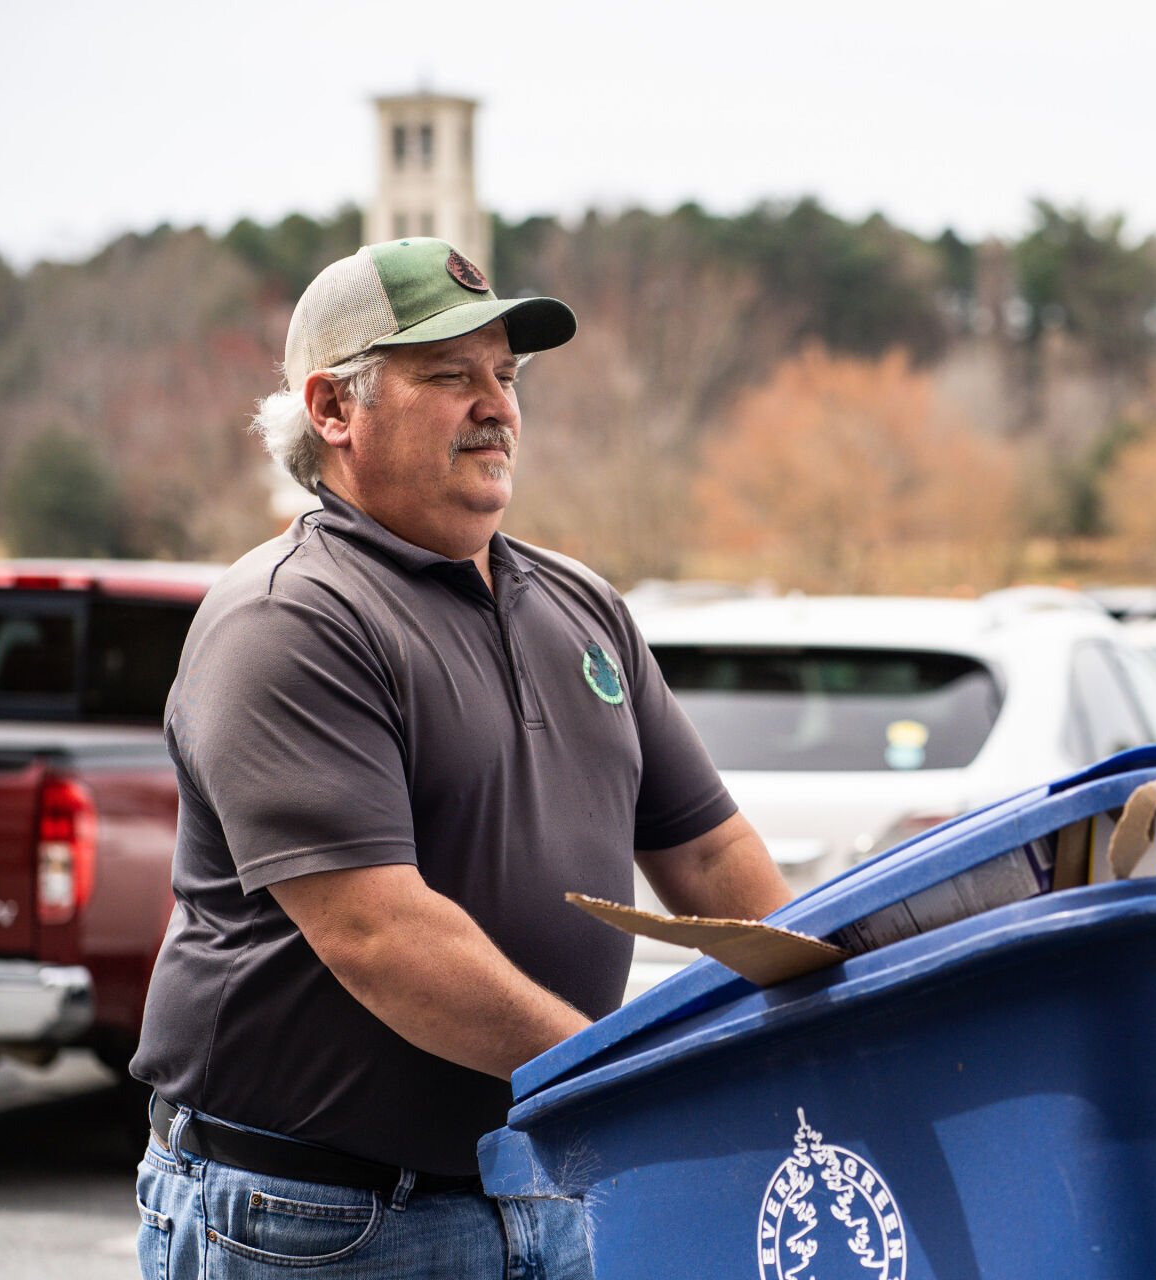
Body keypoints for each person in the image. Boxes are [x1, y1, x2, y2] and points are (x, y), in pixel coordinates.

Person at [129, 237, 792, 1279]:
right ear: (334, 410)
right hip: (316, 1216)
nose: (498, 405)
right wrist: (605, 1079)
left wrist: (825, 1004)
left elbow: (708, 857)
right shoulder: (291, 618)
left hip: (537, 1178)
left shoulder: (582, 606)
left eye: (506, 375)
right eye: (450, 376)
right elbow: (381, 932)